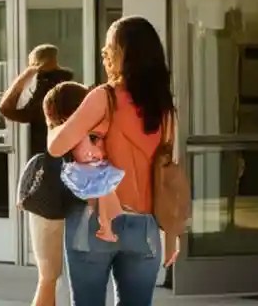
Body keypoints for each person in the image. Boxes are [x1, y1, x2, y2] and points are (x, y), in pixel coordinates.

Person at [48, 17, 178, 306]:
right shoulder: (165, 109)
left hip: (93, 222)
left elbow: (57, 147)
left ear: (126, 55)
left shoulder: (104, 98)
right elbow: (167, 174)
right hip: (145, 226)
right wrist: (172, 231)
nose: (104, 57)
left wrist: (52, 123)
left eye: (109, 50)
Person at [0, 44, 74, 306]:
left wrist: (25, 76)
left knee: (47, 273)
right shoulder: (73, 90)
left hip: (47, 186)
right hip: (75, 181)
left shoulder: (45, 94)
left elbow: (6, 107)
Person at [45, 83, 125, 243]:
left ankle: (106, 224)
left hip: (85, 191)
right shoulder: (82, 130)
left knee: (100, 183)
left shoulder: (71, 134)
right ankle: (106, 224)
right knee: (101, 183)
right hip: (91, 175)